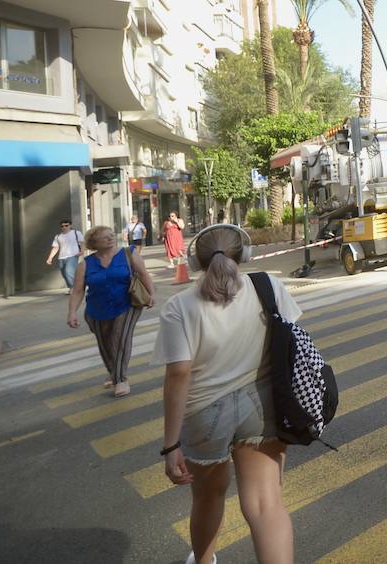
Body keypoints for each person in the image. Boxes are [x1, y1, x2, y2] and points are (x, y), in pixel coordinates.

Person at [154, 224, 299, 564]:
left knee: (207, 497)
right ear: (244, 255)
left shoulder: (179, 307)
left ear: (195, 261)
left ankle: (203, 560)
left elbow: (178, 375)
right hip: (261, 405)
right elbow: (291, 342)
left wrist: (171, 444)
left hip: (203, 415)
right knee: (266, 503)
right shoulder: (268, 287)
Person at [67, 226, 155, 397]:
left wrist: (151, 293)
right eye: (104, 237)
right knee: (106, 344)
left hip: (127, 304)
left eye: (111, 235)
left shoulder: (129, 253)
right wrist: (72, 312)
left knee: (120, 338)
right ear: (94, 243)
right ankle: (114, 370)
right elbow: (78, 291)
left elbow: (143, 274)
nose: (110, 238)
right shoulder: (85, 264)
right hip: (96, 310)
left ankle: (120, 380)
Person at [46, 219, 83, 294]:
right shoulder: (58, 236)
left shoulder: (76, 233)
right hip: (61, 257)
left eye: (66, 225)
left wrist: (82, 251)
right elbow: (55, 247)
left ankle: (74, 288)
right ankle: (71, 287)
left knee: (68, 271)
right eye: (62, 226)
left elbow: (83, 242)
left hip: (73, 255)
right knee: (64, 273)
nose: (64, 227)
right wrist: (50, 258)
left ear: (70, 225)